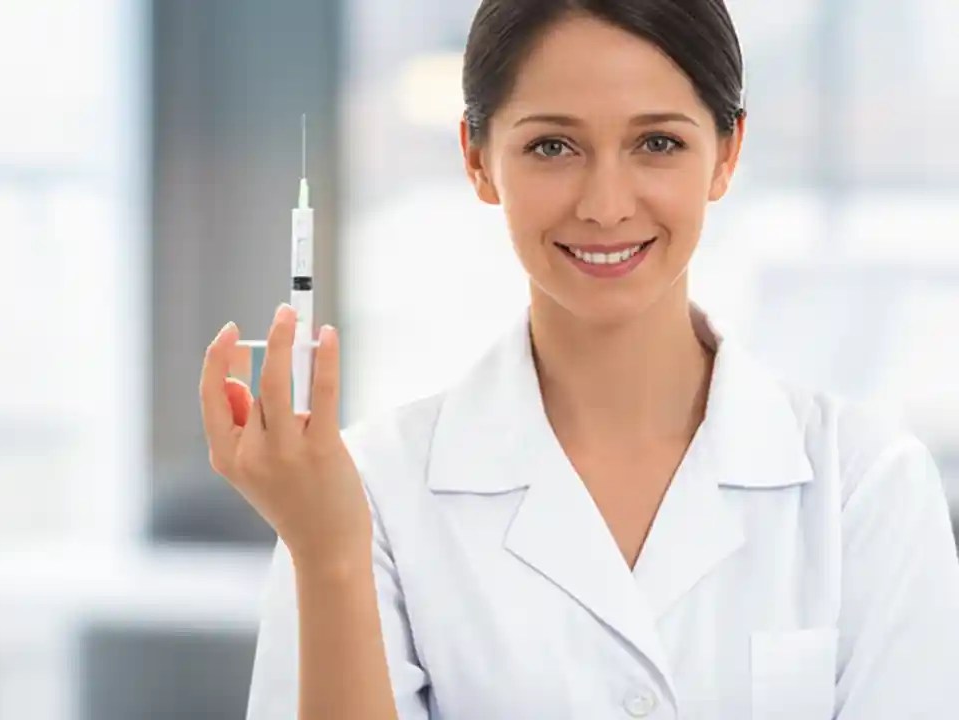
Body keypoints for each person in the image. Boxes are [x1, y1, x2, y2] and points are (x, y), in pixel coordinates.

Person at [198, 0, 959, 717]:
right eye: (551, 146)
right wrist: (330, 557)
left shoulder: (864, 485)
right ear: (478, 158)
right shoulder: (364, 495)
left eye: (657, 143)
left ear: (727, 153)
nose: (605, 204)